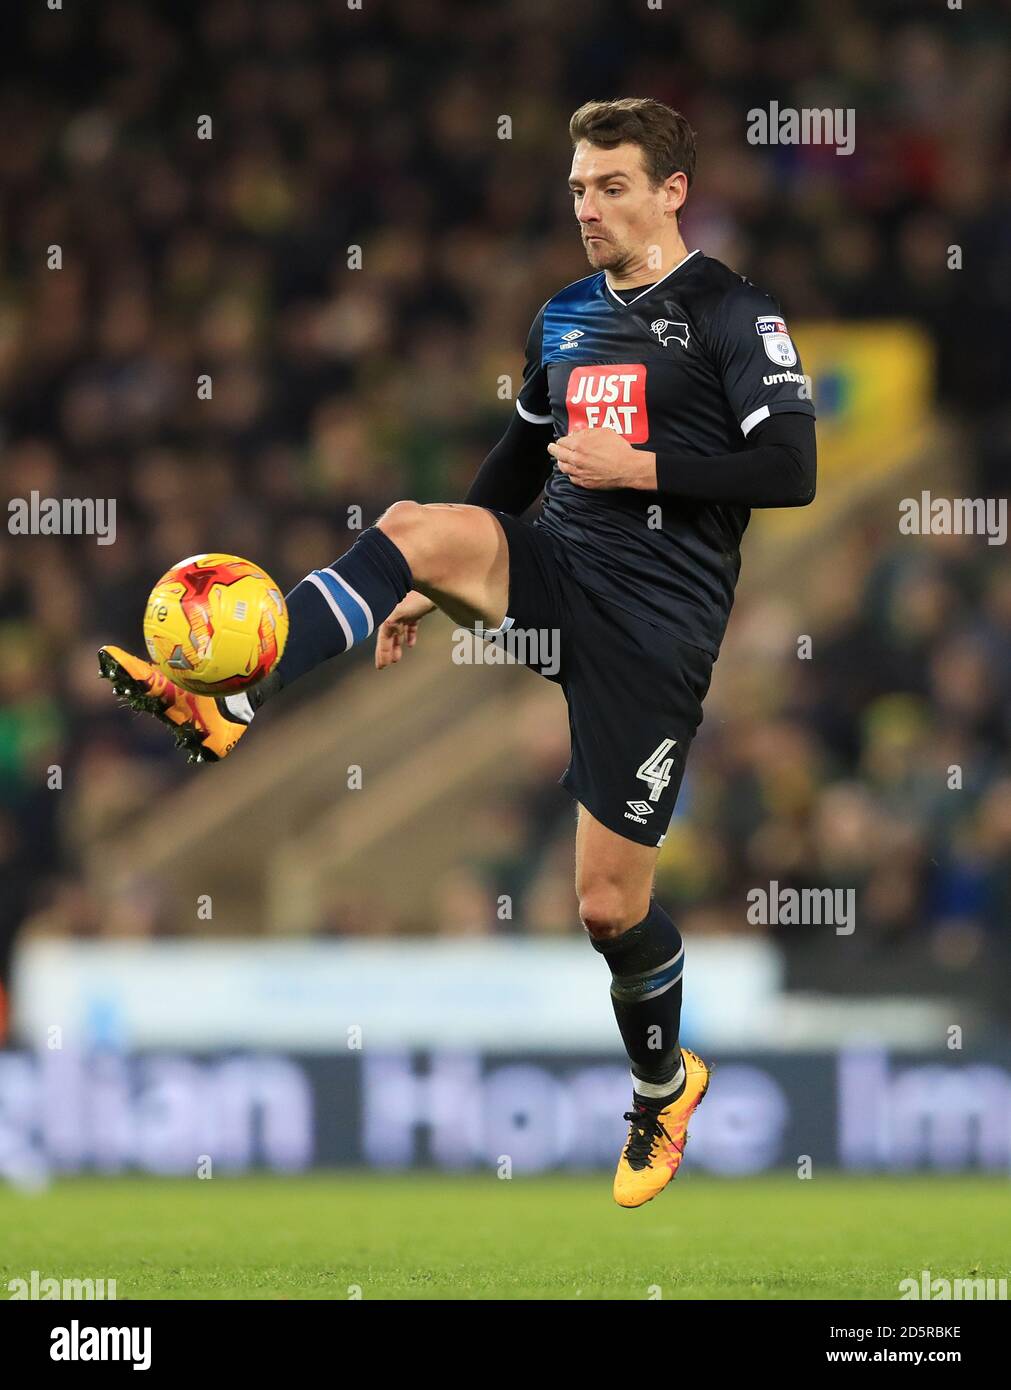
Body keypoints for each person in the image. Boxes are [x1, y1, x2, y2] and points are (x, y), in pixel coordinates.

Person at [99, 97, 816, 1208]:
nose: (589, 205)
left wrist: (644, 473)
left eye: (613, 184)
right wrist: (425, 579)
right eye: (579, 186)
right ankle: (226, 696)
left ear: (674, 191)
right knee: (407, 522)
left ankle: (665, 1082)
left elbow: (794, 471)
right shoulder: (566, 316)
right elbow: (518, 457)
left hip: (656, 636)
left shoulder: (733, 314)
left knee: (607, 908)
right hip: (557, 574)